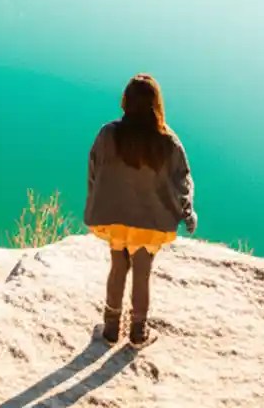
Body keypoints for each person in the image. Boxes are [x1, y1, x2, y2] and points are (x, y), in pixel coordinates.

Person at [84, 74, 196, 348]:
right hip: (150, 222)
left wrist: (96, 203)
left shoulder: (108, 134)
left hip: (115, 218)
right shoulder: (167, 141)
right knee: (142, 274)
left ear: (126, 101)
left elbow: (94, 171)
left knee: (118, 267)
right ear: (156, 104)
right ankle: (138, 333)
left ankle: (111, 331)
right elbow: (182, 180)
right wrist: (187, 212)